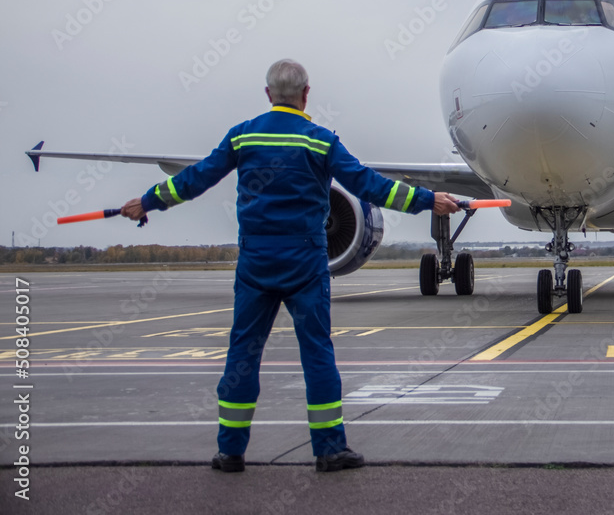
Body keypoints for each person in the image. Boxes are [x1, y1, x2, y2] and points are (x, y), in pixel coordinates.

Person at [120, 59, 460, 472]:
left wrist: (149, 200)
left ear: (268, 95)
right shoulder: (319, 141)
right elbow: (368, 185)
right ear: (306, 94)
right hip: (304, 260)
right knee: (316, 353)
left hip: (255, 261)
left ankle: (230, 451)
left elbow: (195, 179)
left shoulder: (242, 136)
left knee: (242, 352)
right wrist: (429, 199)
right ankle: (330, 450)